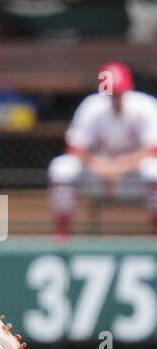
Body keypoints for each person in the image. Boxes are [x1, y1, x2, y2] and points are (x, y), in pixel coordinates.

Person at [48, 62, 157, 238]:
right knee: (61, 166)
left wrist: (120, 167)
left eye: (118, 92)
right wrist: (101, 166)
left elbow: (153, 150)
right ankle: (62, 235)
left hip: (133, 177)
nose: (115, 97)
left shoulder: (146, 106)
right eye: (111, 93)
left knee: (154, 168)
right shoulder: (92, 106)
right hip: (98, 174)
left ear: (128, 88)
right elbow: (74, 148)